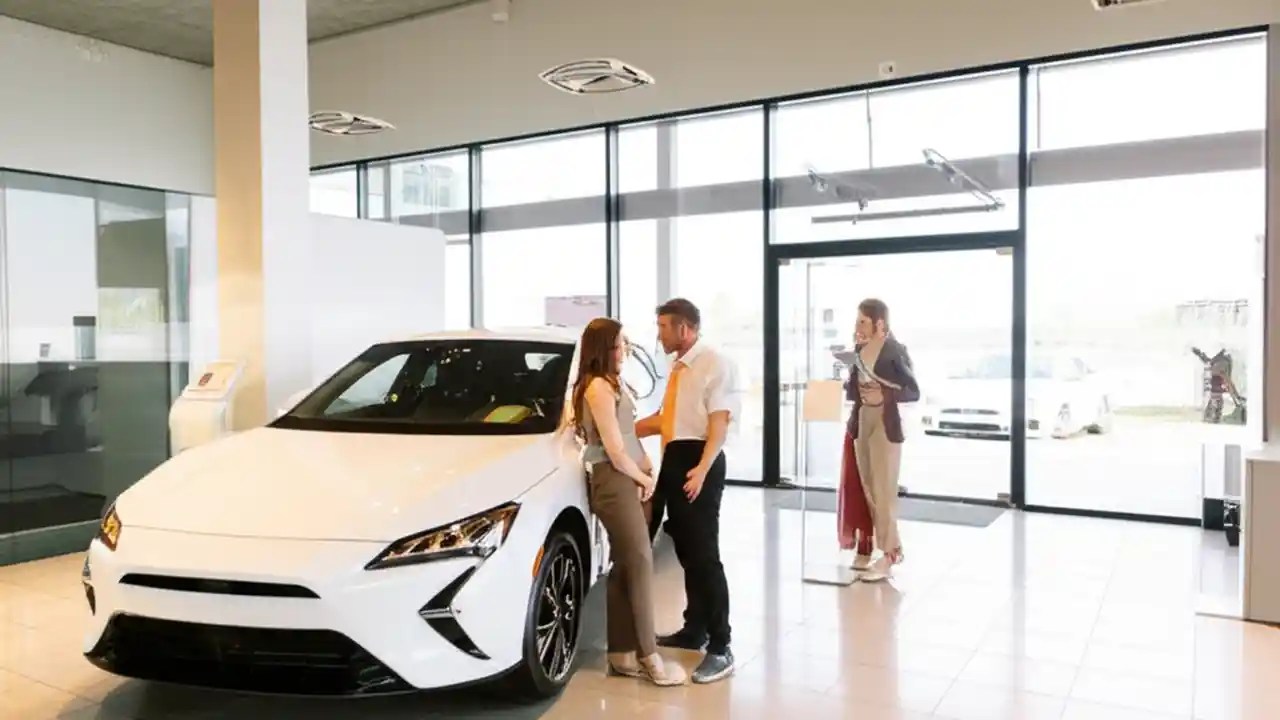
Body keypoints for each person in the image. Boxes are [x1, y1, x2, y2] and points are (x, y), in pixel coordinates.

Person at [571, 317, 687, 686]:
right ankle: (649, 655)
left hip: (630, 478)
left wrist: (645, 466)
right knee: (638, 562)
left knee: (625, 566)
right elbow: (614, 450)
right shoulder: (596, 388)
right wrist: (642, 477)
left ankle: (621, 654)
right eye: (620, 344)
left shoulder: (613, 383)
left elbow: (628, 437)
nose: (625, 350)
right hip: (614, 481)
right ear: (604, 348)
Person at [635, 298, 739, 684]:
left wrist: (701, 470)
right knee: (686, 552)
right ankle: (694, 628)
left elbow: (720, 423)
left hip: (698, 461)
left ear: (684, 328)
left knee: (704, 555)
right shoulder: (679, 368)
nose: (659, 334)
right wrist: (620, 429)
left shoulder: (713, 362)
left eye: (663, 327)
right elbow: (668, 420)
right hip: (675, 459)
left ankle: (721, 645)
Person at [836, 298, 919, 582]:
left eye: (863, 321)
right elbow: (852, 391)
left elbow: (912, 390)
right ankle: (887, 548)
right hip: (863, 420)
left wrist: (883, 390)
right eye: (857, 321)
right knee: (870, 488)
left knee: (884, 489)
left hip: (885, 420)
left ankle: (890, 552)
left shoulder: (894, 350)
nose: (858, 326)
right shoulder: (860, 350)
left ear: (879, 323)